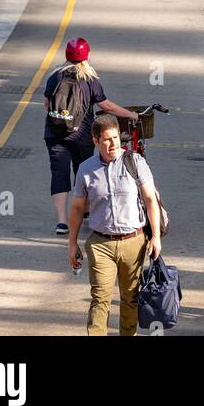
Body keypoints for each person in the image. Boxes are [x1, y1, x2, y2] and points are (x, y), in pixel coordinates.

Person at [68, 114, 162, 337]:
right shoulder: (86, 169)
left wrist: (156, 236)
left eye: (116, 138)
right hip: (100, 243)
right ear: (95, 141)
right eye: (107, 139)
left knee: (130, 299)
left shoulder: (135, 162)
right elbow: (78, 208)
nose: (113, 144)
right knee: (100, 298)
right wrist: (72, 243)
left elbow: (151, 200)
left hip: (134, 242)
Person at [42, 37, 139, 235]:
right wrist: (130, 114)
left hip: (55, 133)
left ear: (67, 55)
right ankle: (85, 209)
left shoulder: (54, 77)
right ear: (86, 56)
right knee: (83, 172)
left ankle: (61, 222)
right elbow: (106, 106)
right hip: (82, 134)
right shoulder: (90, 80)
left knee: (59, 174)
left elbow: (46, 104)